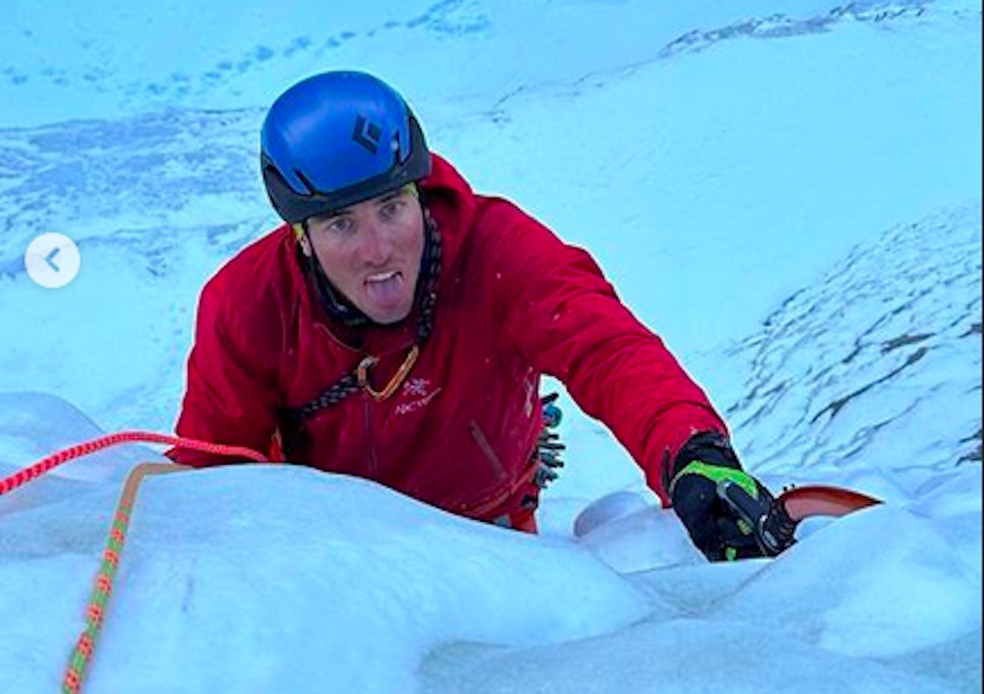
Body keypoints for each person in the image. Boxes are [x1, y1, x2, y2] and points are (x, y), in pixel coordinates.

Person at [168, 70, 776, 561]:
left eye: (390, 207)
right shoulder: (248, 305)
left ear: (418, 190)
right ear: (300, 234)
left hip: (496, 541)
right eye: (341, 223)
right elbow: (213, 472)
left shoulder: (495, 251)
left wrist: (693, 452)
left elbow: (607, 349)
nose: (377, 250)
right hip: (333, 561)